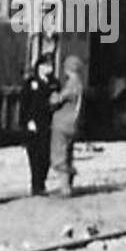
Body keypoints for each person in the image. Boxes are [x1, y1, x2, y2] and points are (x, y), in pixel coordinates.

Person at [19, 52, 58, 196]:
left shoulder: (54, 83)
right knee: (34, 156)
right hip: (34, 124)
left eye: (51, 65)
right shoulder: (31, 83)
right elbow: (24, 105)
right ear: (39, 66)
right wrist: (27, 122)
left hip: (48, 124)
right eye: (47, 65)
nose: (50, 68)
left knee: (46, 157)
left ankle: (42, 182)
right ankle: (36, 186)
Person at [49, 54, 86, 196]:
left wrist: (53, 95)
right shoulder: (80, 83)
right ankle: (68, 185)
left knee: (60, 156)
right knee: (68, 155)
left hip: (63, 123)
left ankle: (65, 188)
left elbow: (56, 100)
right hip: (73, 123)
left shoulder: (71, 84)